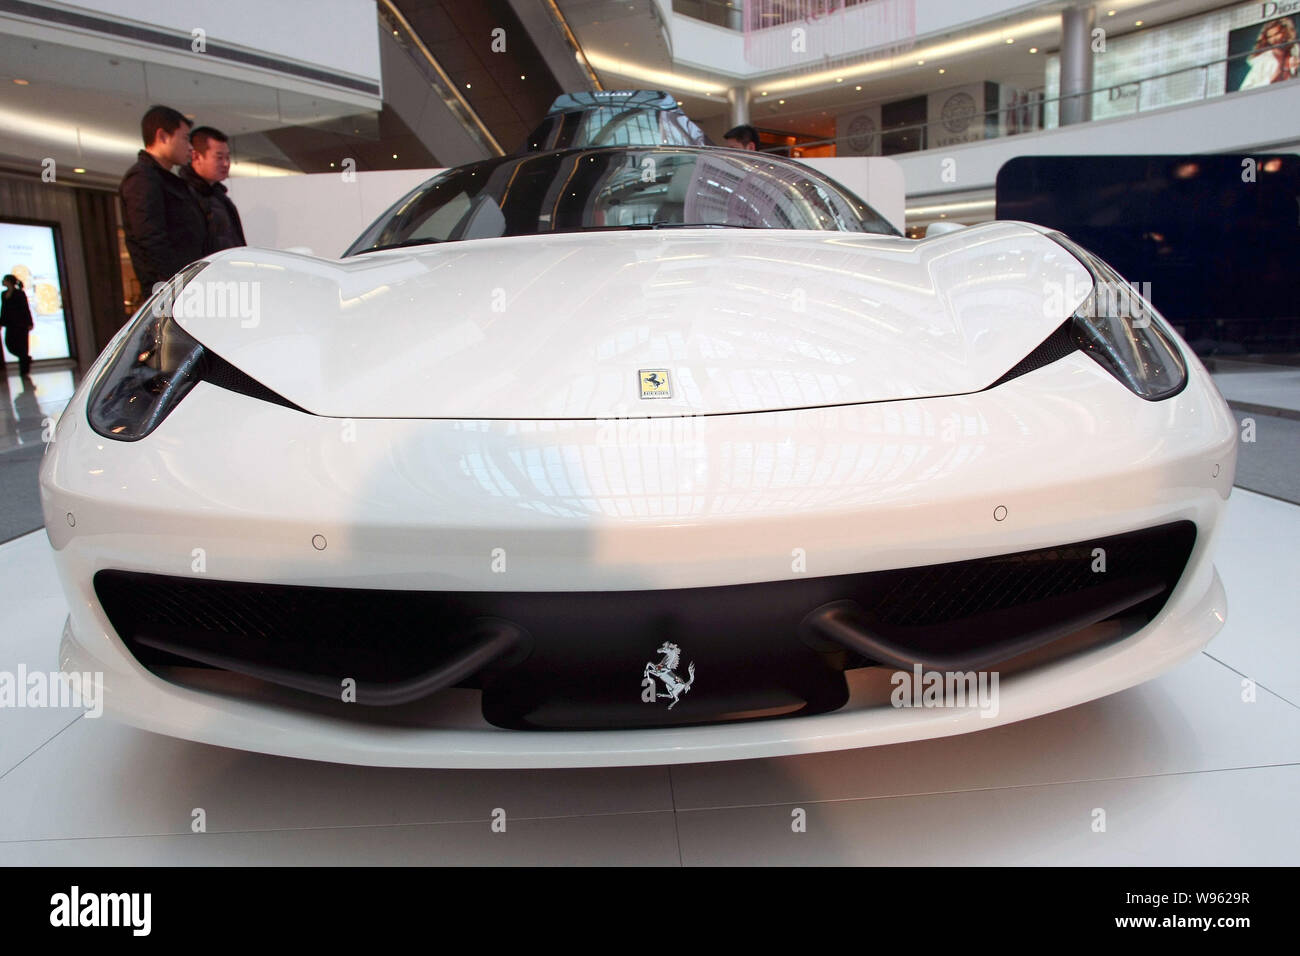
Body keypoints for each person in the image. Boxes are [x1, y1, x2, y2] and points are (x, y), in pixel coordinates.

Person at [119, 105, 207, 304]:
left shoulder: (164, 179)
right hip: (169, 293)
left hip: (182, 288)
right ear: (162, 136)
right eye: (185, 138)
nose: (190, 147)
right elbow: (151, 239)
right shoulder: (143, 178)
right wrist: (177, 283)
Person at [180, 126, 247, 253]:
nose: (226, 163)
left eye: (227, 157)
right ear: (196, 157)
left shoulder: (220, 196)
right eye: (219, 157)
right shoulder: (184, 197)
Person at [1240, 17, 1299, 89]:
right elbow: (1245, 89)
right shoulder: (1264, 60)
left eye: (1277, 33)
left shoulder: (1296, 52)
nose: (1274, 39)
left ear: (1285, 32)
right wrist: (1271, 80)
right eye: (1270, 37)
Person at [1, 274, 34, 376]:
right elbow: (4, 309)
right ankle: (25, 359)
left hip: (21, 324)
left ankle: (24, 371)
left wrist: (29, 322)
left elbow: (25, 308)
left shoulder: (19, 294)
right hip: (10, 324)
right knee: (10, 344)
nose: (3, 281)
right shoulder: (4, 294)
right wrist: (1, 322)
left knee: (22, 347)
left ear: (9, 282)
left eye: (5, 280)